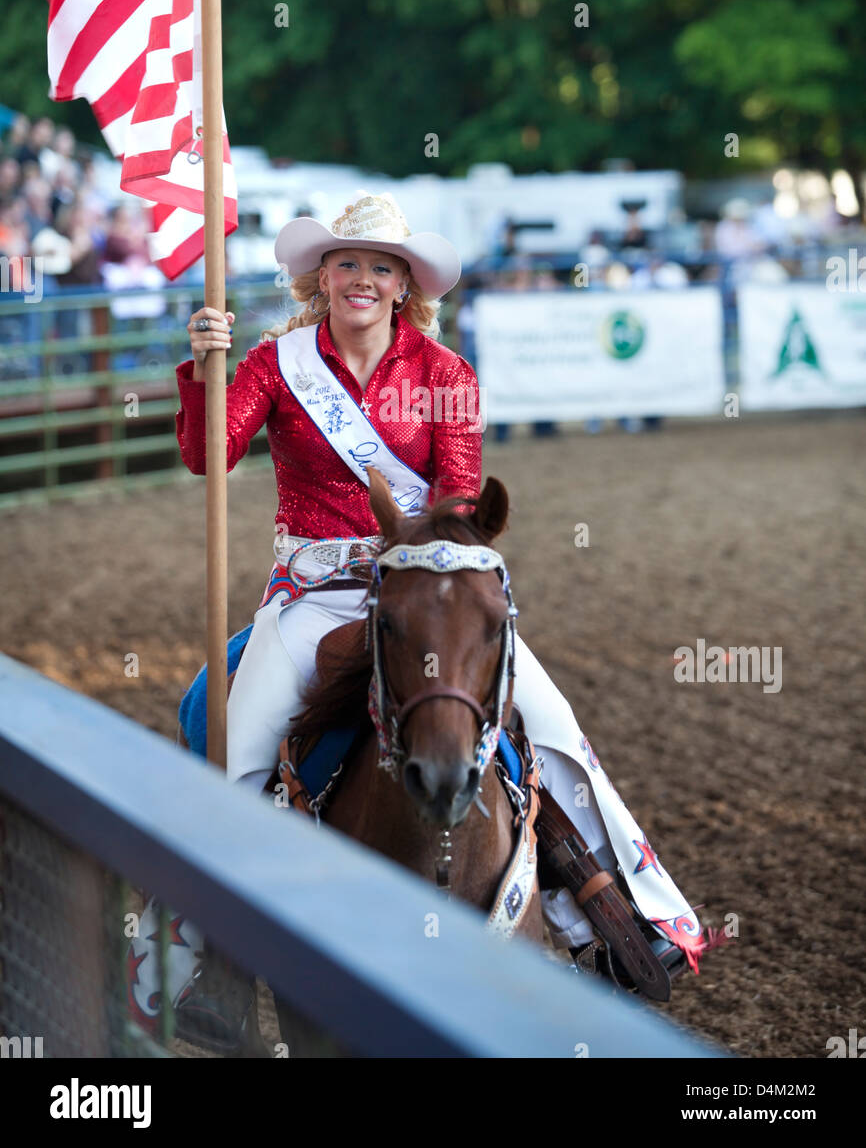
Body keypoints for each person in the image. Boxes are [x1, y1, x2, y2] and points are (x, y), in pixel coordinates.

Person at [173, 193, 705, 976]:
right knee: (241, 741)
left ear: (402, 286)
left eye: (379, 268)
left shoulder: (444, 374)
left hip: (430, 586)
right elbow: (205, 456)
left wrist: (416, 554)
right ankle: (200, 951)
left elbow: (459, 497)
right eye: (346, 262)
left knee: (551, 723)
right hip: (312, 594)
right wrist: (203, 370)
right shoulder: (271, 365)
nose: (361, 278)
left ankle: (620, 914)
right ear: (321, 276)